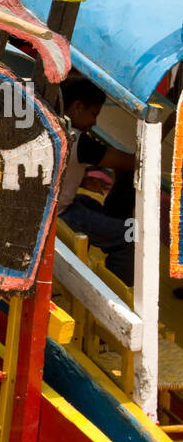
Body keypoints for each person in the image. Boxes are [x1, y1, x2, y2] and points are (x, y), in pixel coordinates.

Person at [56, 76, 135, 285]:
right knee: (130, 235)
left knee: (89, 203)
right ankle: (114, 293)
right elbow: (130, 163)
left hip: (54, 206)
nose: (95, 122)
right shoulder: (79, 141)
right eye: (94, 114)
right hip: (61, 214)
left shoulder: (51, 124)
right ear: (78, 107)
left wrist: (80, 182)